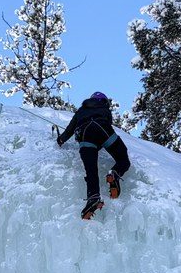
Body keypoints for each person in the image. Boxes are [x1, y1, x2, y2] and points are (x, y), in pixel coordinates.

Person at [55, 92, 130, 220]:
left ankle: (93, 198)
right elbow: (108, 124)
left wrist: (60, 140)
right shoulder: (105, 109)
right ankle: (115, 173)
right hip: (103, 128)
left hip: (85, 134)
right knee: (123, 158)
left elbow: (70, 129)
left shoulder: (81, 111)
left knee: (91, 171)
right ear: (103, 101)